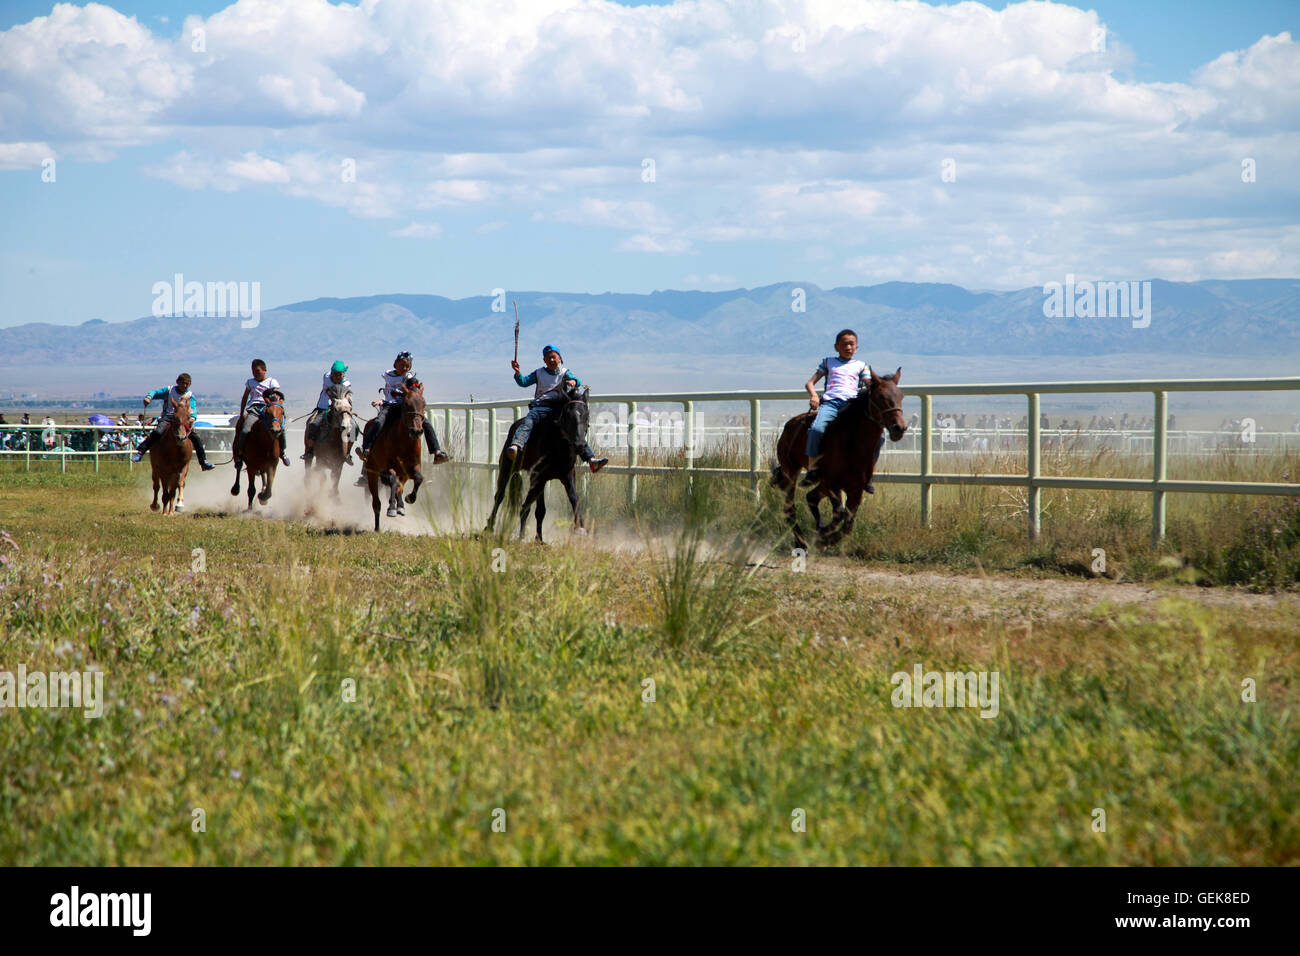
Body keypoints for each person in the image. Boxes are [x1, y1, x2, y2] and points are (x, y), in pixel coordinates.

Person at [505, 344, 607, 471]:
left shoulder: (565, 372)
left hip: (559, 407)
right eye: (548, 358)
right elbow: (524, 382)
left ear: (560, 358)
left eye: (554, 357)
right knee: (528, 421)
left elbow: (577, 380)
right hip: (541, 406)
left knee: (573, 427)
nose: (551, 360)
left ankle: (591, 459)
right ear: (544, 360)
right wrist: (518, 373)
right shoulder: (539, 373)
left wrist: (573, 381)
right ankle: (516, 444)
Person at [800, 329, 878, 488]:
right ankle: (812, 469)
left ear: (857, 347)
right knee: (816, 429)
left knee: (879, 437)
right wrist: (814, 396)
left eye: (851, 344)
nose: (848, 347)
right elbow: (810, 383)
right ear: (836, 347)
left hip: (852, 406)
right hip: (831, 403)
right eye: (844, 344)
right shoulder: (828, 362)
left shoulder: (861, 366)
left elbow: (870, 386)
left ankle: (868, 473)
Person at [358, 351, 450, 463]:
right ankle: (366, 448)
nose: (405, 368)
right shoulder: (388, 375)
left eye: (408, 366)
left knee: (426, 424)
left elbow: (414, 391)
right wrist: (382, 400)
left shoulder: (410, 378)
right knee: (378, 422)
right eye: (402, 365)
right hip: (389, 407)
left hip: (404, 408)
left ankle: (437, 452)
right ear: (395, 364)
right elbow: (388, 392)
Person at [131, 372, 215, 470]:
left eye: (187, 384)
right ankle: (140, 452)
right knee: (158, 432)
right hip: (168, 417)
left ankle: (203, 462)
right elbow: (155, 392)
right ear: (177, 382)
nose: (185, 385)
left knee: (195, 438)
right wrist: (149, 397)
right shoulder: (169, 390)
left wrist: (192, 418)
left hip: (183, 420)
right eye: (183, 383)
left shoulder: (190, 396)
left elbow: (193, 409)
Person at [232, 358, 288, 467]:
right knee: (245, 429)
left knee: (280, 429)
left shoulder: (272, 382)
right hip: (254, 409)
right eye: (253, 371)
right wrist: (242, 412)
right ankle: (240, 454)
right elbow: (245, 397)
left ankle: (282, 452)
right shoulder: (250, 382)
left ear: (264, 370)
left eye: (257, 371)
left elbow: (276, 397)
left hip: (268, 409)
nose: (255, 374)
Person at [302, 360, 357, 466]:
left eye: (339, 374)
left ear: (344, 374)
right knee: (313, 424)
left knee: (354, 427)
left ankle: (348, 453)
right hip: (324, 408)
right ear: (331, 373)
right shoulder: (326, 377)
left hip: (340, 410)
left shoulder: (346, 384)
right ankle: (310, 450)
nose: (337, 377)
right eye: (335, 374)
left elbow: (347, 397)